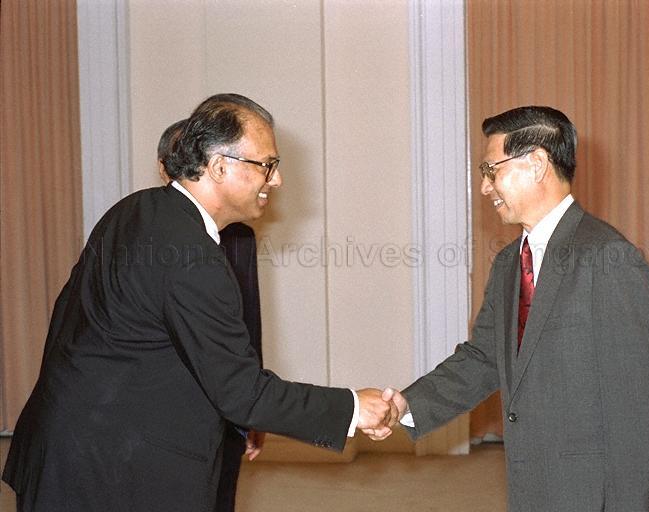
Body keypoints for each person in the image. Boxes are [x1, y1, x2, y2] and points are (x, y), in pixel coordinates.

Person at [3, 93, 396, 512]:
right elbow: (241, 393)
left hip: (72, 445)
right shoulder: (192, 258)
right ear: (219, 166)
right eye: (267, 165)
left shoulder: (136, 209)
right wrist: (354, 407)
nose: (277, 181)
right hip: (112, 469)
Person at [382, 106, 649, 511]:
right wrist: (409, 405)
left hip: (593, 494)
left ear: (537, 164)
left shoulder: (608, 258)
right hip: (531, 485)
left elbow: (641, 407)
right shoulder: (509, 262)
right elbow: (484, 359)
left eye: (491, 170)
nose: (485, 187)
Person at [157, 118, 264, 512]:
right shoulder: (151, 234)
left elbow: (248, 322)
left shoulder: (238, 236)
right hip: (169, 411)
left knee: (221, 495)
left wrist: (254, 412)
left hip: (230, 400)